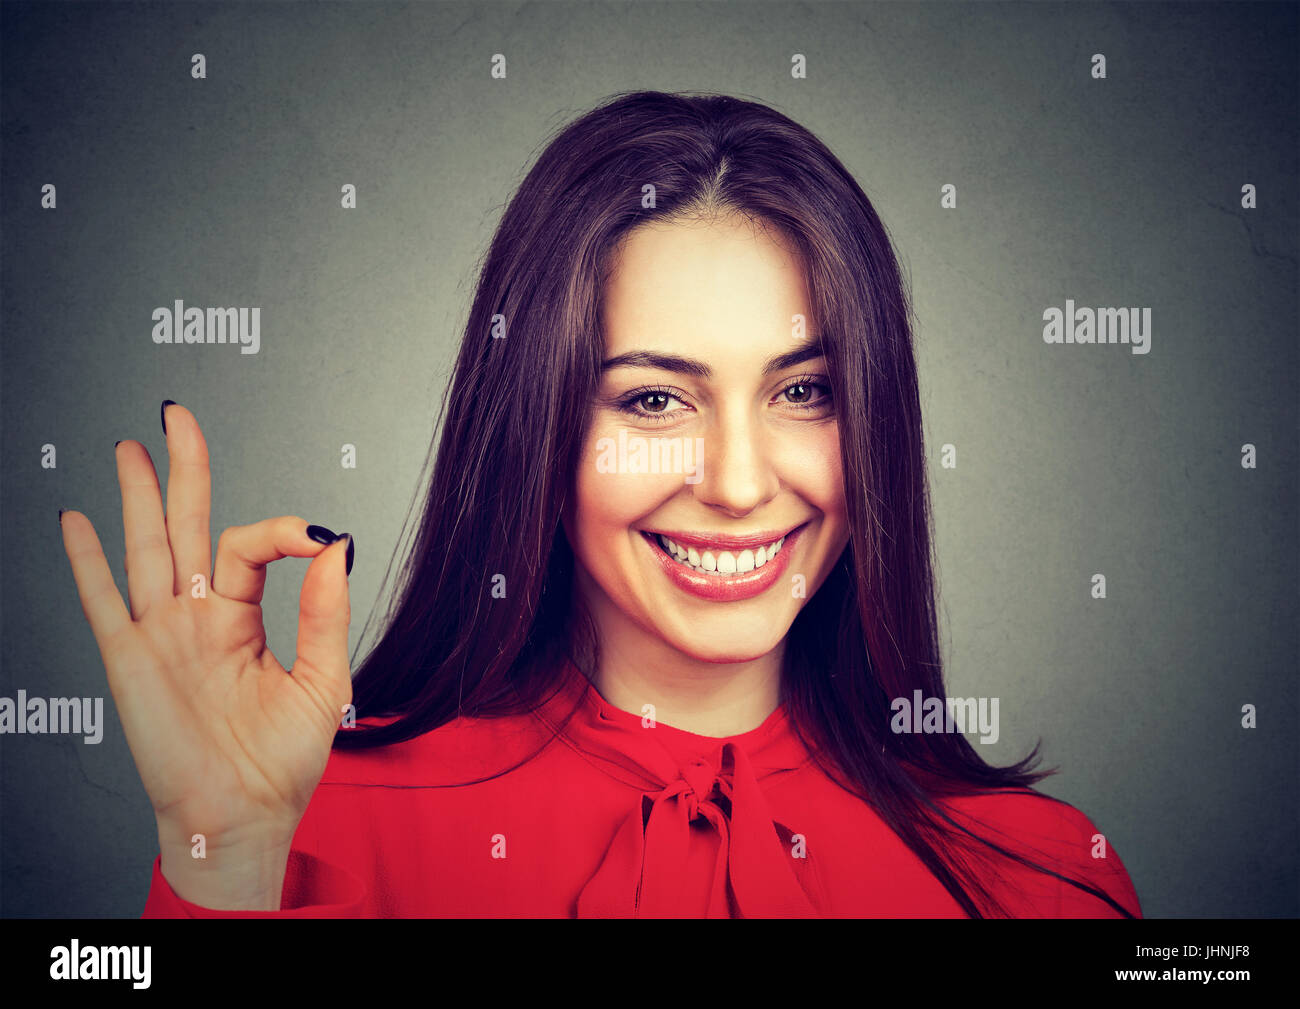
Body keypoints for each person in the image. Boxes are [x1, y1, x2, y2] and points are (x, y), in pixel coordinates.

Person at [59, 90, 1141, 918]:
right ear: (539, 427)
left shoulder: (1041, 873)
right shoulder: (312, 825)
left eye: (804, 391)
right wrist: (224, 863)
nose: (737, 484)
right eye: (655, 399)